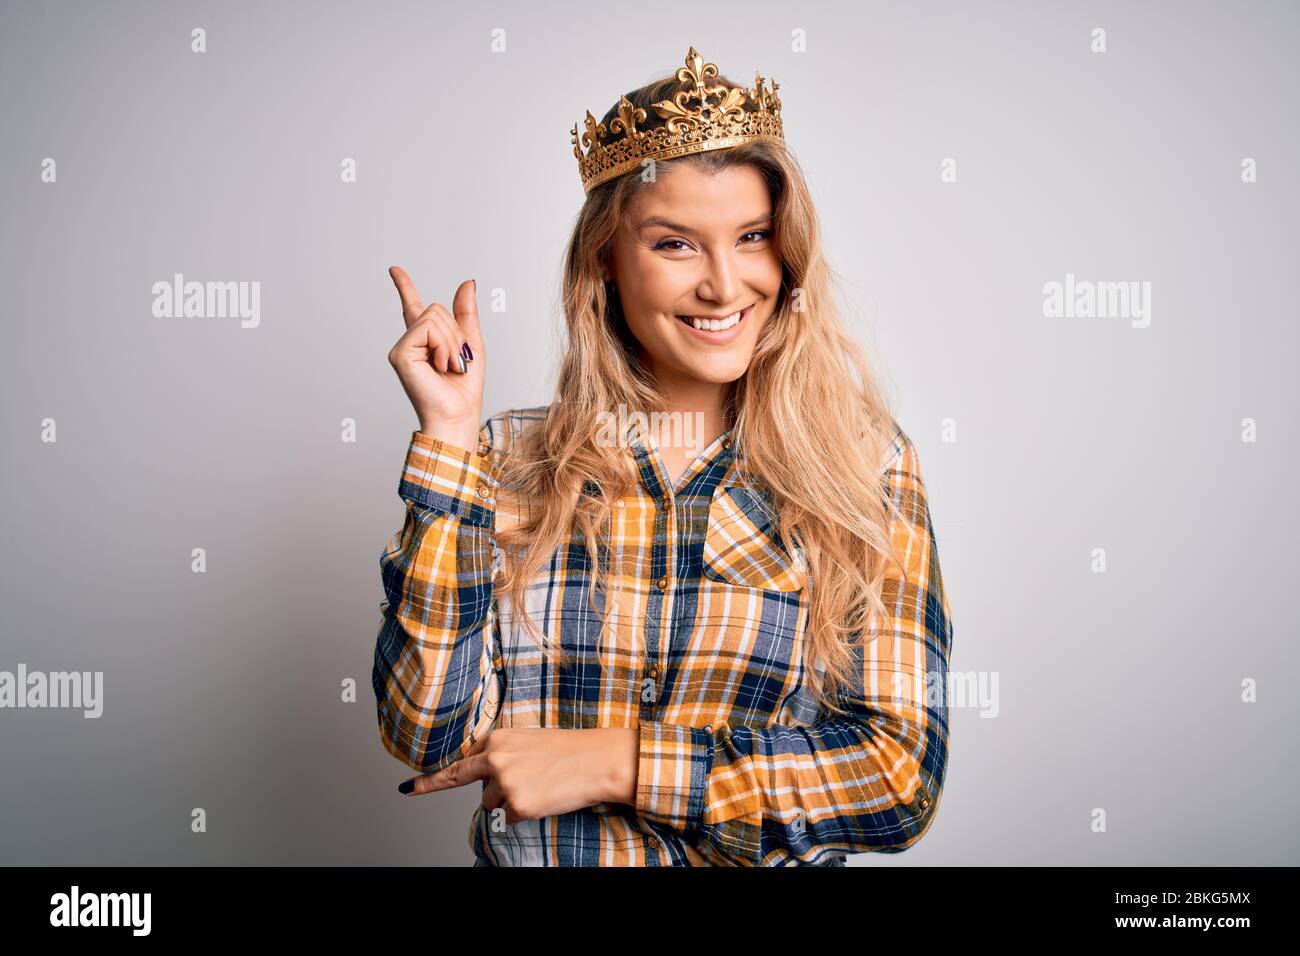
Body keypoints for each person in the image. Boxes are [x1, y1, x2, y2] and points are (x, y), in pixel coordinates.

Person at [372, 46, 954, 866]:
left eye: (752, 237)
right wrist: (446, 441)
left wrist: (617, 763)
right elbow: (426, 733)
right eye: (676, 244)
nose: (724, 285)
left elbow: (897, 780)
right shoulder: (503, 456)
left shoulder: (863, 463)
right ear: (606, 259)